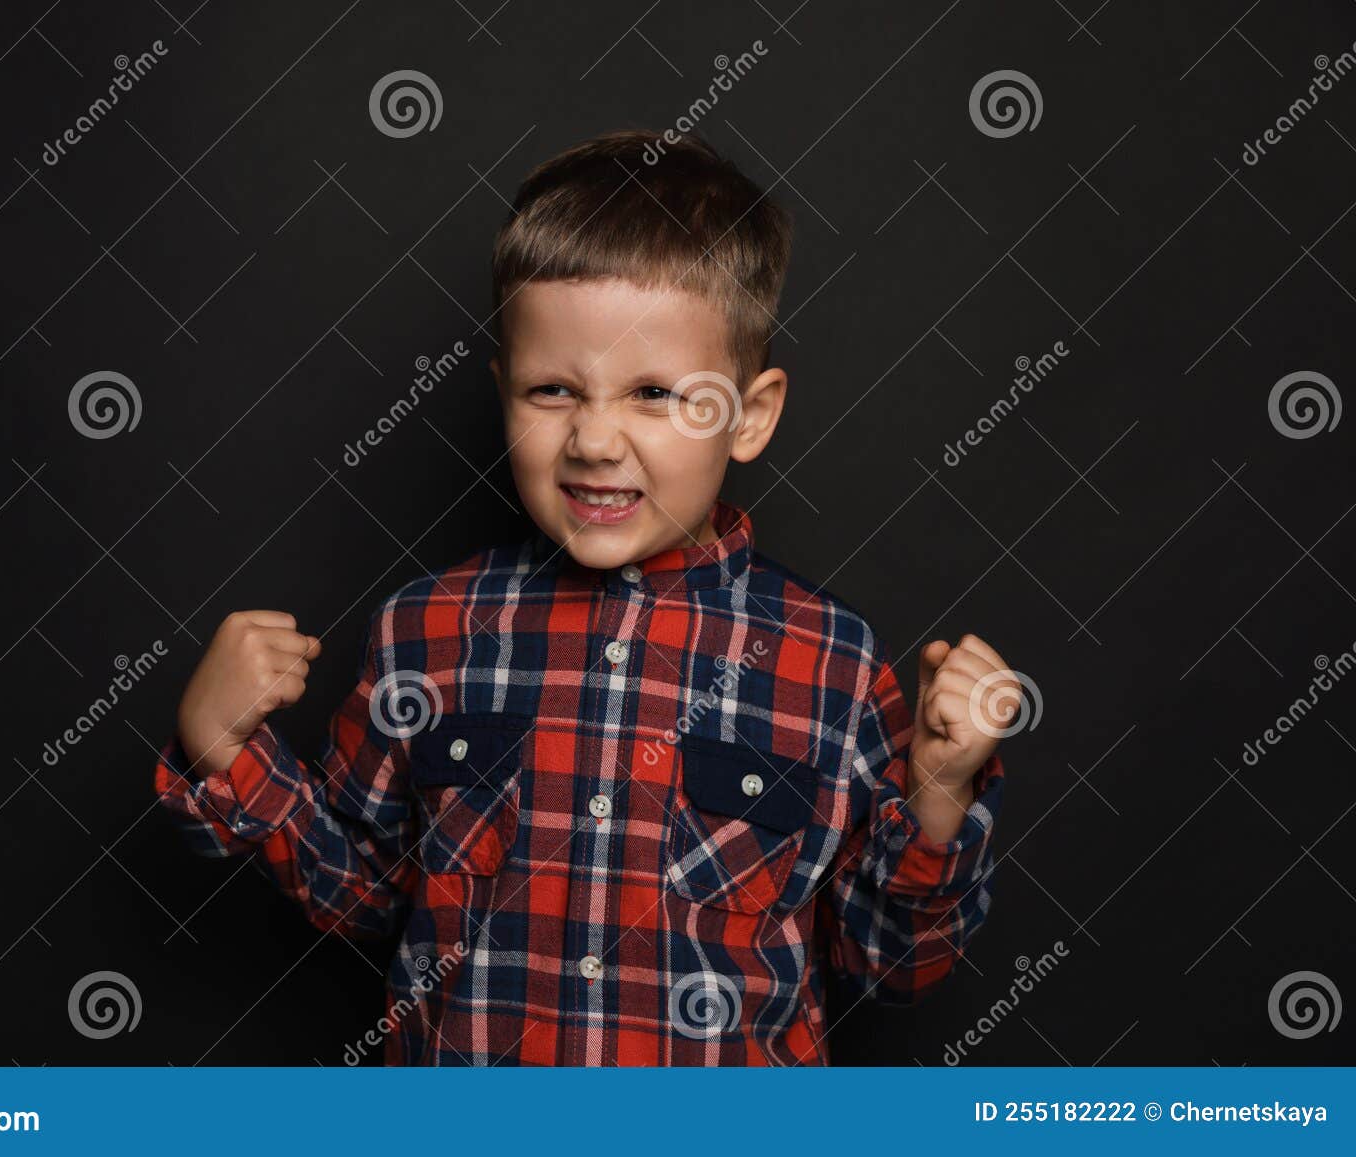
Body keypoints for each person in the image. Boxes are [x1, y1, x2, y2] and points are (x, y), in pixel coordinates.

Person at [153, 128, 1018, 1065]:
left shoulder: (833, 661)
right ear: (502, 392)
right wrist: (225, 753)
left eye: (653, 393)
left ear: (750, 414)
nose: (596, 440)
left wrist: (938, 794)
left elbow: (886, 963)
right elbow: (367, 889)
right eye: (553, 390)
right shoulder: (425, 631)